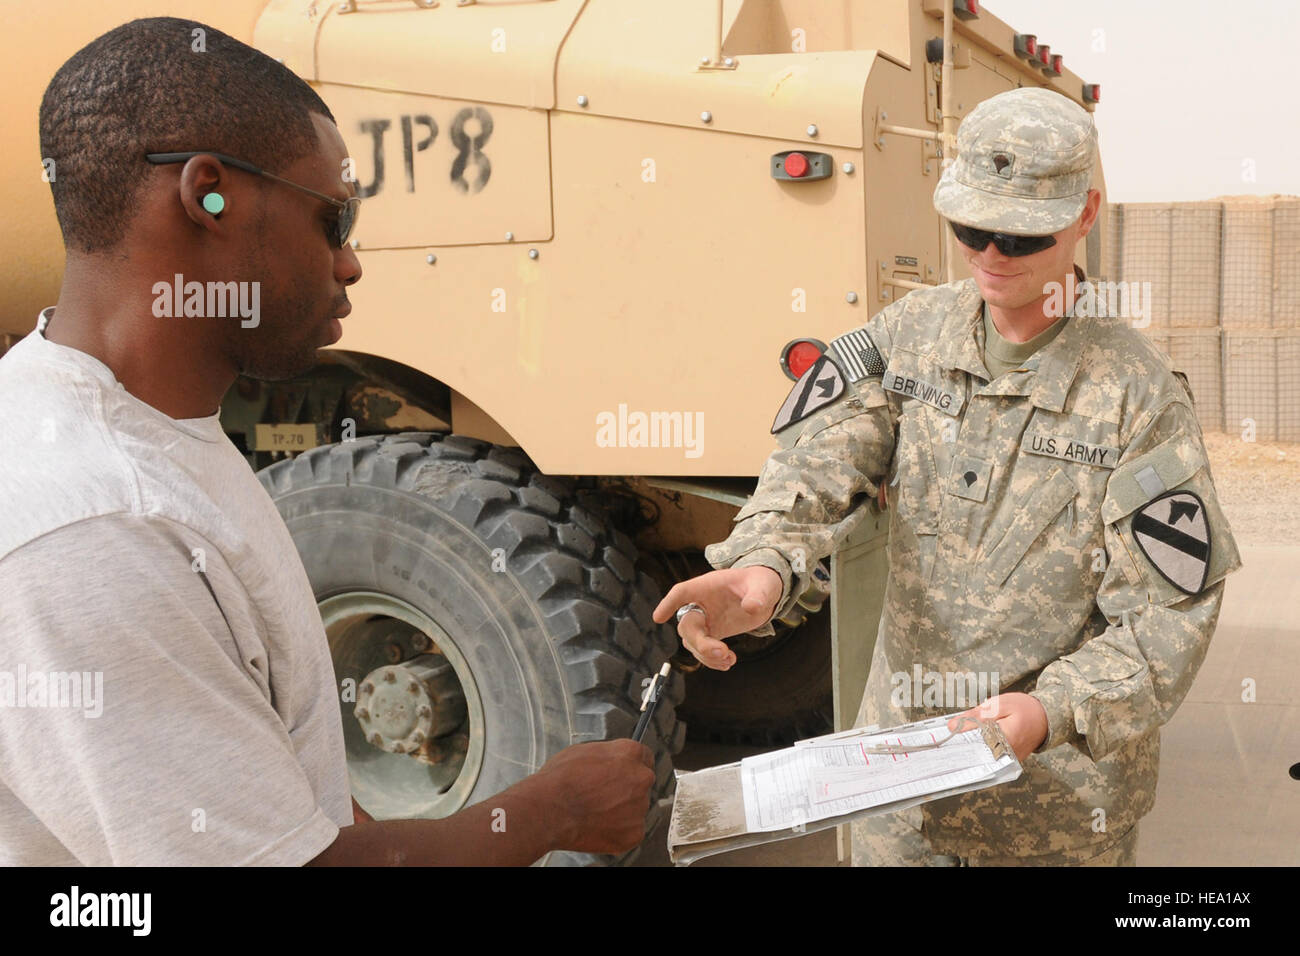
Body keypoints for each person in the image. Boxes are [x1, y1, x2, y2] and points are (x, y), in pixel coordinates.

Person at [0, 17, 654, 866]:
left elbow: (272, 798)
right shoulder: (96, 528)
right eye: (333, 219)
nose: (350, 263)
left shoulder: (149, 432)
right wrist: (553, 811)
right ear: (209, 197)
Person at [654, 87, 1241, 866]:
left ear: (1085, 215)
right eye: (971, 227)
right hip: (897, 799)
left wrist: (1045, 710)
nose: (991, 254)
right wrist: (759, 569)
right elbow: (818, 461)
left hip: (1052, 821)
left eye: (1019, 235)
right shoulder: (909, 336)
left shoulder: (1137, 395)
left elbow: (1168, 621)